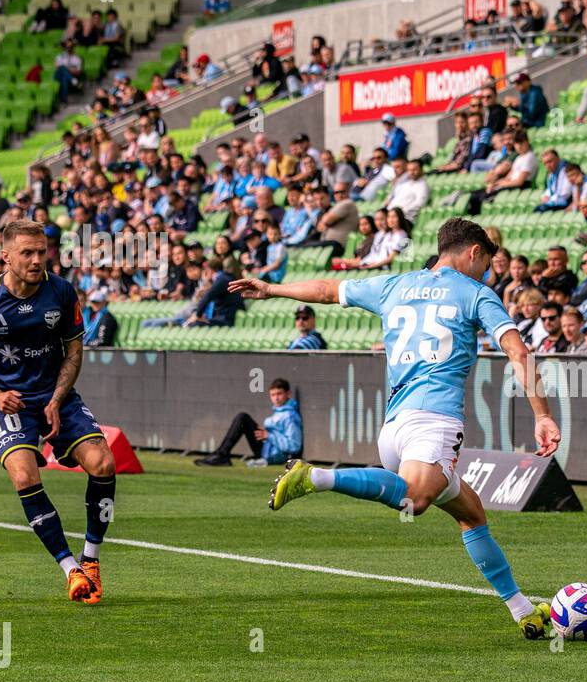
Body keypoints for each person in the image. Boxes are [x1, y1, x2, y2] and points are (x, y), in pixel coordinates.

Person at [228, 218, 562, 640]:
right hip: (433, 423)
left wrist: (272, 289)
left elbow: (328, 291)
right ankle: (314, 476)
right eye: (488, 263)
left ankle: (521, 610)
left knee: (471, 513)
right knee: (416, 500)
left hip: (394, 428)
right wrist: (543, 414)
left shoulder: (395, 285)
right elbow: (517, 350)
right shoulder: (478, 294)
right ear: (474, 252)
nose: (488, 272)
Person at [0, 220, 116, 605]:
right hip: (10, 403)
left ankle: (90, 560)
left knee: (104, 465)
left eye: (42, 251)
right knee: (24, 476)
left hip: (56, 396)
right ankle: (69, 569)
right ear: (5, 256)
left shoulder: (61, 292)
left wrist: (58, 398)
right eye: (27, 252)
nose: (37, 260)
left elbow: (74, 352)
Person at [195, 378, 304, 468]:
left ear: (288, 394)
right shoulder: (278, 412)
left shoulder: (290, 416)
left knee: (243, 418)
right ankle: (221, 454)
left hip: (276, 455)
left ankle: (221, 455)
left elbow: (294, 446)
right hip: (267, 448)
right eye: (273, 395)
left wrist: (269, 435)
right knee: (242, 419)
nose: (276, 398)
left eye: (279, 394)